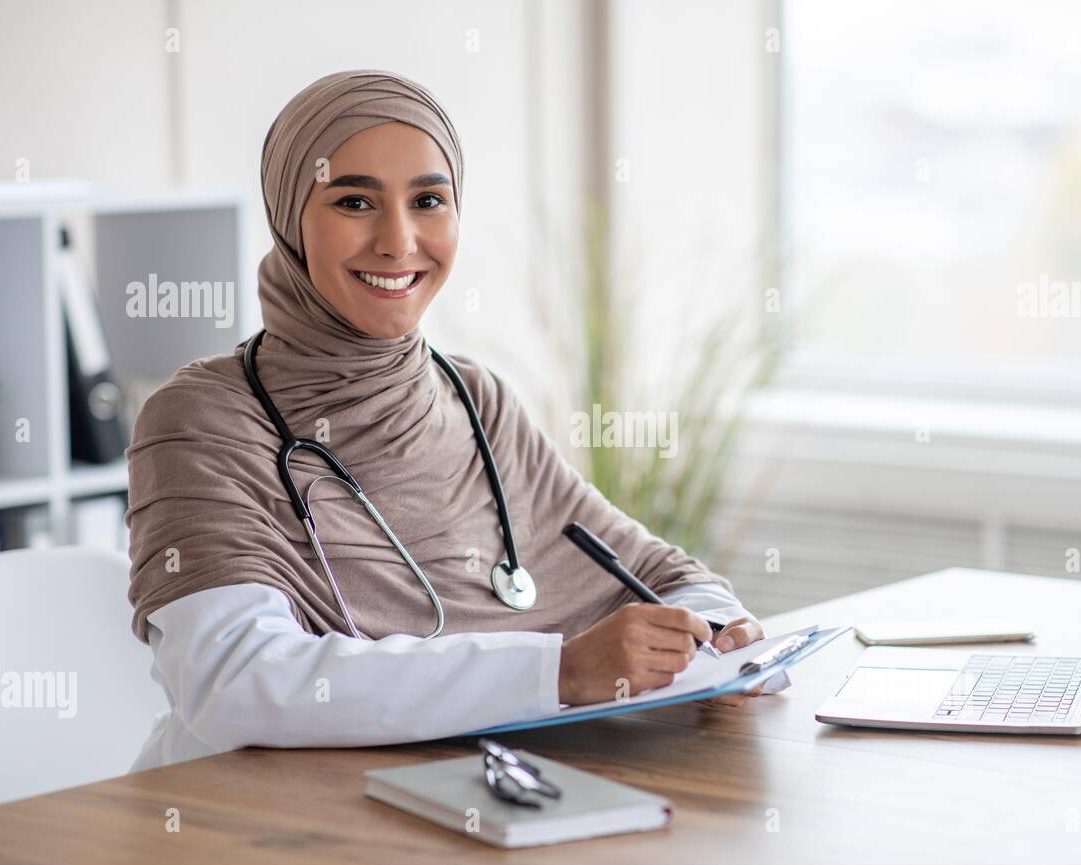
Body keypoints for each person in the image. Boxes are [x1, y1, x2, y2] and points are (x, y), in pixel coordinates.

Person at [124, 69, 783, 772]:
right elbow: (238, 683)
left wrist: (713, 630)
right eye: (354, 201)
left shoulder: (473, 397)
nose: (399, 241)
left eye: (429, 200)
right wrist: (555, 671)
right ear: (290, 217)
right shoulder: (201, 420)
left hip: (476, 795)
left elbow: (650, 571)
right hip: (244, 821)